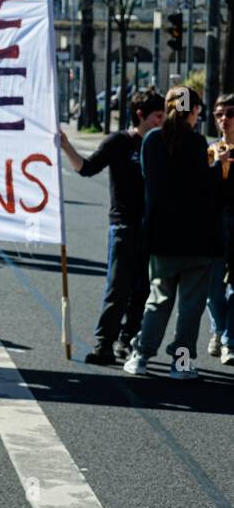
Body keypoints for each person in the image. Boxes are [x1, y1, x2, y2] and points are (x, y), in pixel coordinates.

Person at [59, 88, 165, 364]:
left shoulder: (162, 144)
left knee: (143, 289)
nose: (162, 120)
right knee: (118, 287)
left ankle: (127, 339)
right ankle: (104, 344)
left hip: (153, 229)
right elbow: (86, 168)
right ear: (140, 115)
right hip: (123, 226)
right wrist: (66, 145)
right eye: (157, 116)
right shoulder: (118, 142)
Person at [124, 85, 223, 379]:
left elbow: (149, 182)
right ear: (193, 111)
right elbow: (207, 187)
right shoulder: (197, 143)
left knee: (159, 300)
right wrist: (219, 165)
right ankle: (180, 363)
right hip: (199, 239)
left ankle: (141, 356)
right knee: (190, 309)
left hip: (163, 236)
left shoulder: (154, 140)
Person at [205, 93, 234, 365]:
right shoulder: (210, 151)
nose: (224, 119)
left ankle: (229, 339)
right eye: (219, 114)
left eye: (230, 113)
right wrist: (219, 166)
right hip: (214, 225)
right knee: (212, 285)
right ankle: (219, 329)